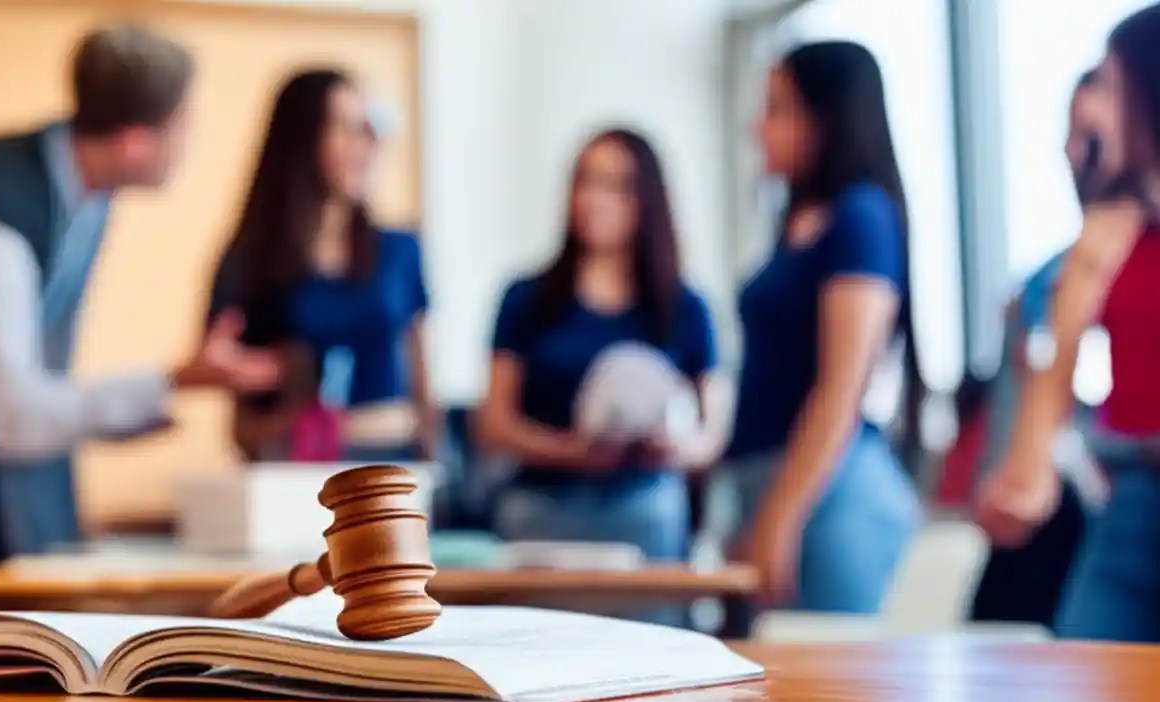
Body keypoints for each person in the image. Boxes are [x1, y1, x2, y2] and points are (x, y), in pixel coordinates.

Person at [0, 26, 282, 565]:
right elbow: (14, 416)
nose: (190, 142)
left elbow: (39, 382)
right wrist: (171, 381)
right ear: (135, 141)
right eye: (183, 125)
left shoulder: (84, 195)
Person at [979, 4, 1160, 642]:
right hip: (1136, 500)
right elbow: (1054, 360)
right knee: (1086, 671)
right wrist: (1028, 468)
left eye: (1113, 85)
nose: (1101, 113)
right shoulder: (1111, 230)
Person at [727, 41, 921, 612]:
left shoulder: (860, 217)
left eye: (776, 108)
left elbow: (842, 386)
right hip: (773, 482)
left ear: (826, 116)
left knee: (837, 685)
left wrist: (780, 516)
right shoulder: (797, 223)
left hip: (831, 494)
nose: (758, 128)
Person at [479, 128, 732, 565]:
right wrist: (573, 451)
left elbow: (712, 432)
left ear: (646, 200)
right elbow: (495, 424)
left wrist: (674, 448)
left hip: (645, 512)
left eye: (614, 185)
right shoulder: (526, 298)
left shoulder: (685, 307)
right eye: (585, 181)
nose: (594, 198)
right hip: (541, 510)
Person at [208, 70, 437, 464]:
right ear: (301, 139)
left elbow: (421, 382)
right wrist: (302, 423)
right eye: (345, 128)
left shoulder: (400, 250)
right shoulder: (250, 262)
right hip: (296, 473)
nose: (364, 145)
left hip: (393, 466)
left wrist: (434, 466)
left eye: (367, 128)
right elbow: (240, 427)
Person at [968, 69, 1105, 629]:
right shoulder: (1043, 285)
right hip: (1053, 513)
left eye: (1092, 139)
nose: (1074, 156)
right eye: (1070, 138)